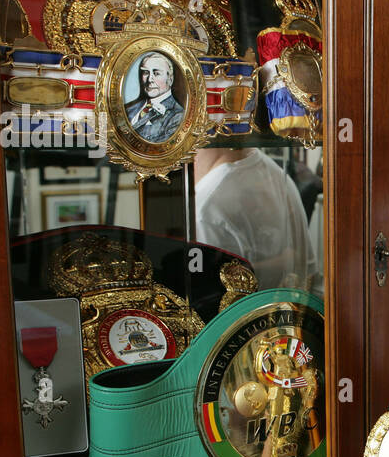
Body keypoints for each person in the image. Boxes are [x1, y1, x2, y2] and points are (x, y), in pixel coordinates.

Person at [195, 146, 320, 293]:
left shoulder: (207, 207)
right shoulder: (278, 175)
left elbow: (209, 301)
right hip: (294, 309)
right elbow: (307, 271)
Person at [125, 51, 185, 143]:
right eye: (146, 72)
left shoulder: (178, 116)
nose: (150, 79)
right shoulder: (129, 109)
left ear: (170, 78)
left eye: (156, 73)